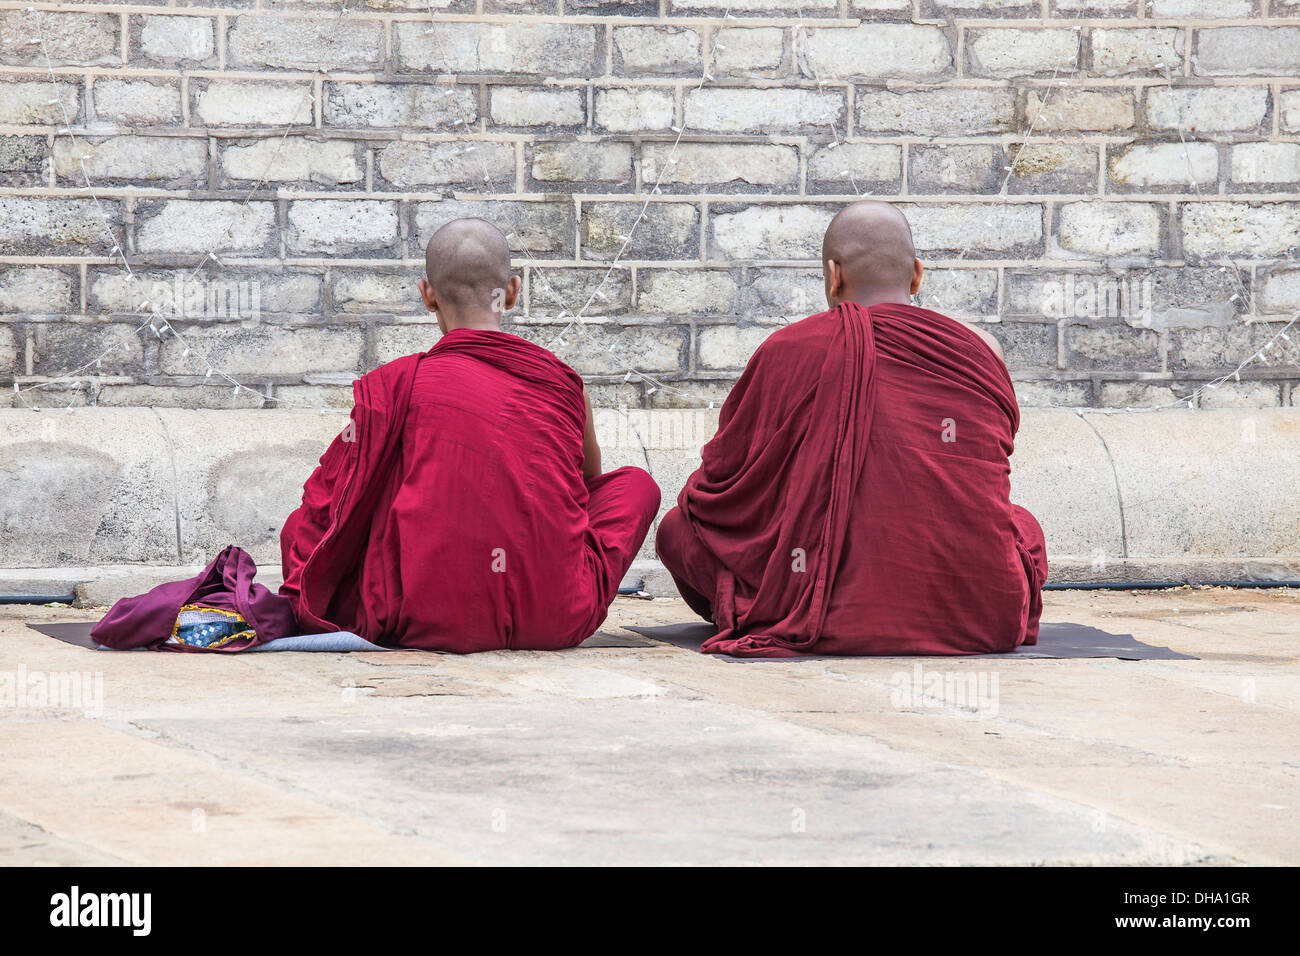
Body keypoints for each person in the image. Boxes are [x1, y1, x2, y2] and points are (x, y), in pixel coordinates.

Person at [655, 200, 1047, 656]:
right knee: (1023, 526)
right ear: (917, 275)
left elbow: (725, 481)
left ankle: (759, 603)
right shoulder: (981, 349)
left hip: (817, 599)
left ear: (833, 275)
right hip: (982, 610)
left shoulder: (789, 348)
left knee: (679, 527)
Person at [280, 218, 660, 651]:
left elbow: (328, 508)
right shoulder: (561, 382)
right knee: (635, 484)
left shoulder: (400, 385)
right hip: (556, 618)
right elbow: (589, 487)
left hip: (423, 618)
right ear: (512, 292)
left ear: (427, 296)